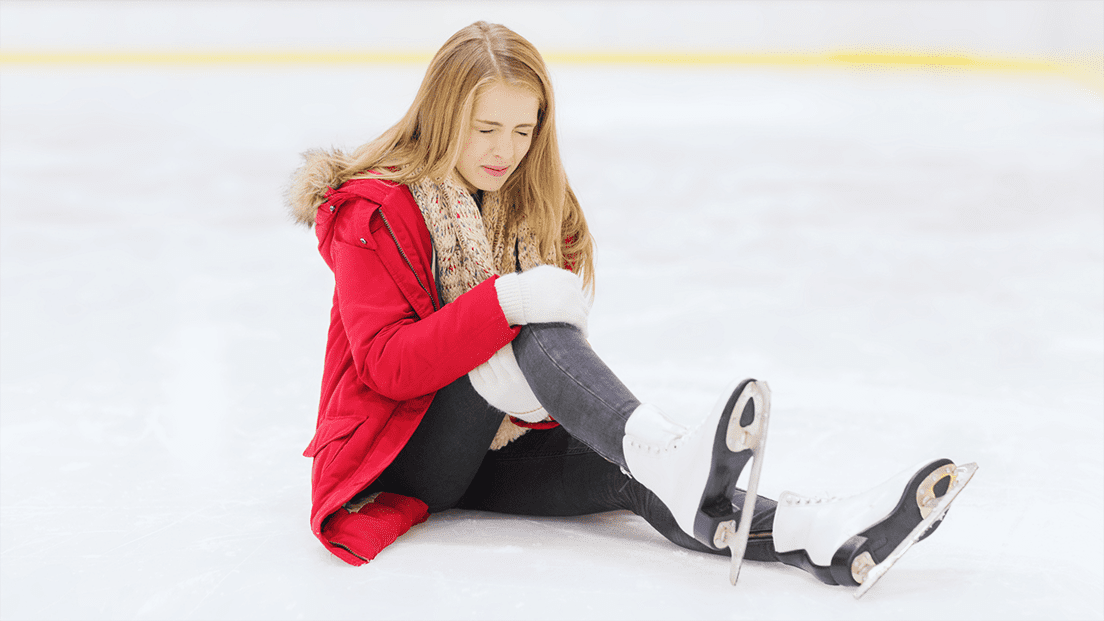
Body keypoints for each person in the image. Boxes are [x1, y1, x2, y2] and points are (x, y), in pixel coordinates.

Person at [287, 21, 970, 589]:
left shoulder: (531, 201)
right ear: (443, 116)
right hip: (403, 456)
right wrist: (507, 300)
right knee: (529, 325)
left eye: (524, 131)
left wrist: (522, 365)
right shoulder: (373, 210)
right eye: (486, 128)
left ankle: (816, 531)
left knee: (638, 479)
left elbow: (542, 359)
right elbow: (386, 367)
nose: (506, 151)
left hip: (503, 451)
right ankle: (666, 450)